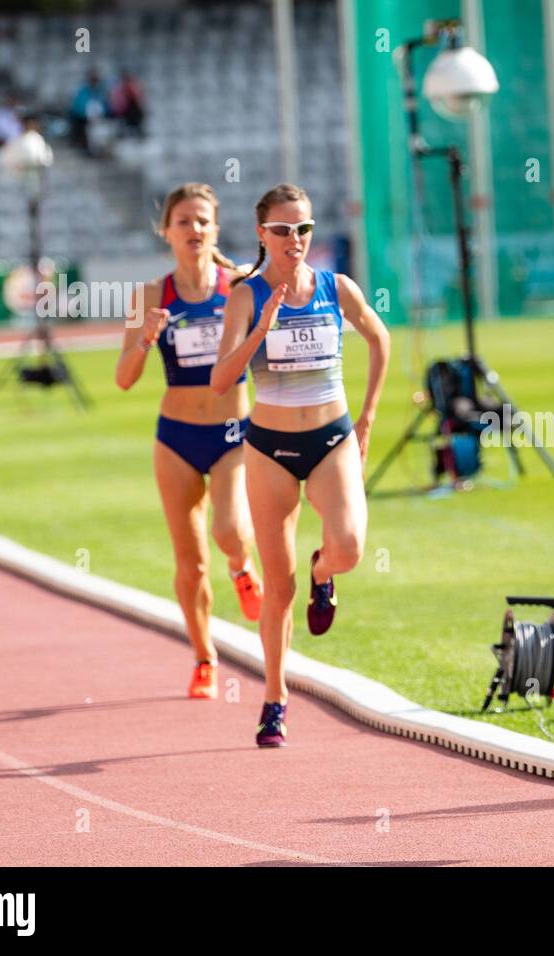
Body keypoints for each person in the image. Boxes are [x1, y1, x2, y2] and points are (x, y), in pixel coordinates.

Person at [211, 183, 390, 748]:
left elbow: (379, 340)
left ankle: (324, 573)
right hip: (268, 447)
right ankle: (274, 699)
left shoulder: (336, 288)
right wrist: (260, 330)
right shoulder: (245, 296)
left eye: (304, 228)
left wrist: (365, 420)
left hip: (332, 438)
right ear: (262, 234)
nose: (296, 239)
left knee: (350, 548)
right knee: (278, 587)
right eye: (283, 230)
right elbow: (221, 380)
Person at [115, 183, 265, 700]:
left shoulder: (241, 287)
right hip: (176, 436)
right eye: (183, 222)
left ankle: (243, 567)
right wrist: (144, 339)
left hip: (232, 432)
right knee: (190, 562)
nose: (194, 229)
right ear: (167, 233)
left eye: (203, 220)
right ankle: (204, 657)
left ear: (216, 229)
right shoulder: (152, 297)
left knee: (228, 527)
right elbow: (124, 378)